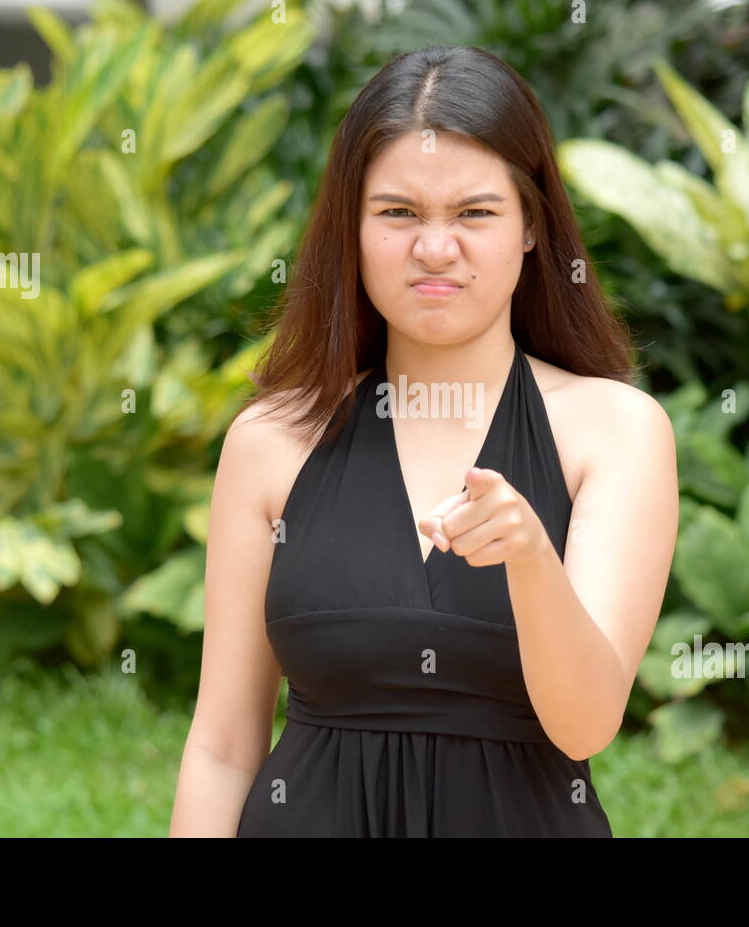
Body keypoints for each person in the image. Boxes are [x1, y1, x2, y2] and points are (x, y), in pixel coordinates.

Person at [170, 45, 677, 837]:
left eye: (474, 214)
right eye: (399, 213)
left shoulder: (613, 432)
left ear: (531, 230)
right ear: (354, 229)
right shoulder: (272, 442)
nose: (435, 249)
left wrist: (531, 560)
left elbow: (585, 726)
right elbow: (224, 746)